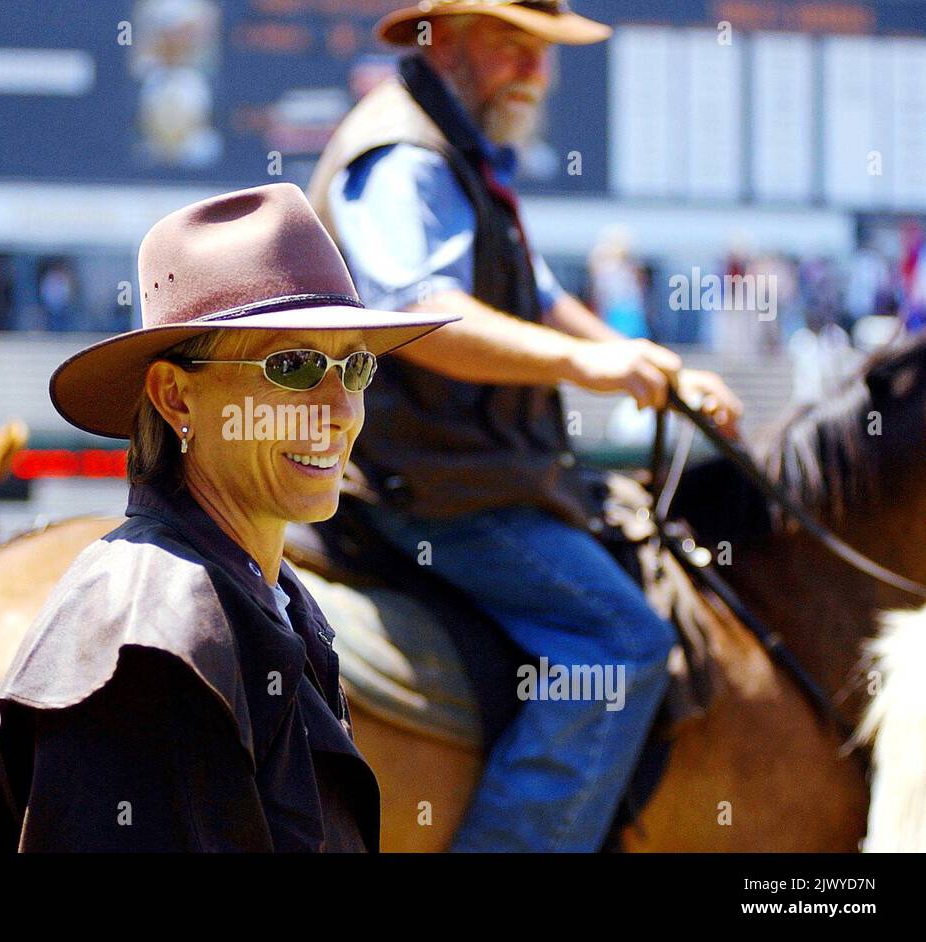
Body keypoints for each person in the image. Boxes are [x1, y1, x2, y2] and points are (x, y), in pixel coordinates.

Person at [306, 0, 744, 851]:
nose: (538, 73)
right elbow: (425, 314)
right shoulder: (402, 156)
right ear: (447, 40)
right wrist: (587, 366)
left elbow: (535, 292)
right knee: (621, 642)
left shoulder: (456, 147)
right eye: (516, 47)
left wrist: (641, 356)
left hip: (469, 469)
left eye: (543, 53)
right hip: (433, 488)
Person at [0, 183, 457, 851]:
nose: (340, 410)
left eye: (356, 364)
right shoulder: (150, 646)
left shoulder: (263, 596)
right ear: (175, 397)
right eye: (292, 365)